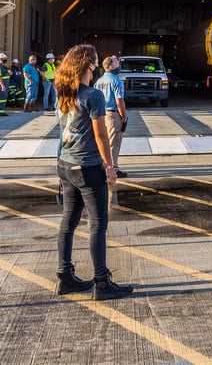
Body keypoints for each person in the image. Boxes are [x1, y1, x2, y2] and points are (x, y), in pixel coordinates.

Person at [55, 44, 133, 300]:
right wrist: (110, 167)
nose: (98, 64)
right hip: (87, 167)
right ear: (89, 65)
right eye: (96, 60)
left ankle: (65, 277)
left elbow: (62, 131)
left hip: (66, 164)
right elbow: (101, 136)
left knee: (68, 222)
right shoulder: (92, 96)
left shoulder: (64, 91)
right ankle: (102, 282)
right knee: (98, 224)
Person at [94, 56, 128, 178]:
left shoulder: (99, 81)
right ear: (111, 66)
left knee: (103, 141)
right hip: (113, 114)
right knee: (114, 143)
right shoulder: (116, 81)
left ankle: (104, 165)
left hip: (102, 114)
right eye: (117, 62)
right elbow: (119, 101)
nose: (119, 64)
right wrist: (123, 116)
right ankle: (114, 168)